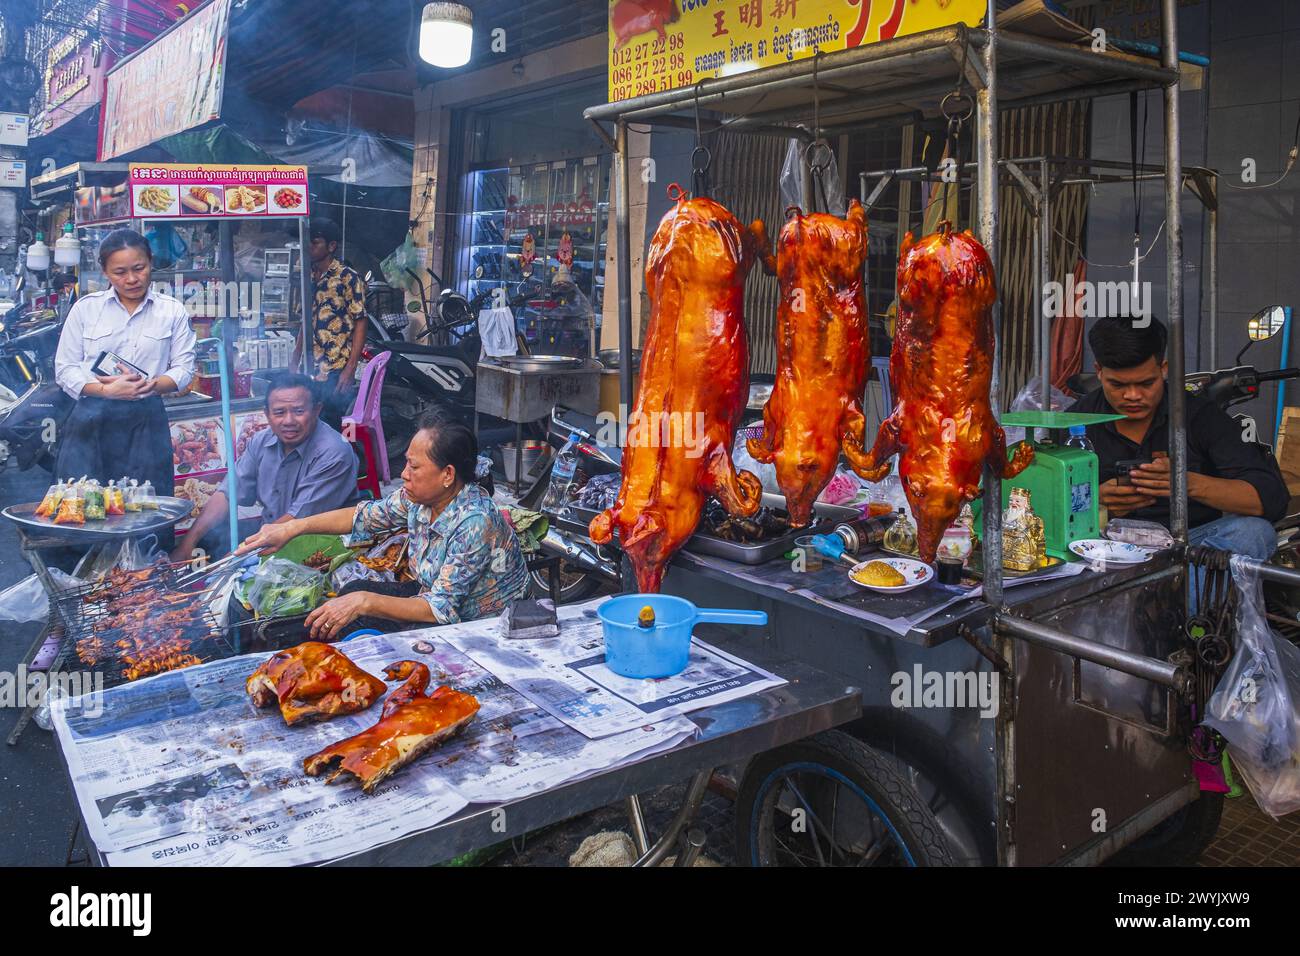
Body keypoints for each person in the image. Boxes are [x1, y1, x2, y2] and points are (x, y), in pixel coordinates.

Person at [236, 411, 527, 638]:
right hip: (430, 595)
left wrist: (366, 602)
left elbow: (441, 609)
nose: (404, 474)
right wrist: (291, 528)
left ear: (447, 474)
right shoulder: (419, 497)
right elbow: (362, 516)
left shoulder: (474, 522)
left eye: (414, 467)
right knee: (351, 593)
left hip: (481, 624)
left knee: (358, 608)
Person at [1068, 315, 1287, 560]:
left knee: (1254, 533)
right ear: (1099, 371)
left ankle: (1177, 594)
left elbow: (1270, 499)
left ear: (1163, 368)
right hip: (1104, 545)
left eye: (1146, 383)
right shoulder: (1075, 421)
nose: (1132, 395)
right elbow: (1040, 506)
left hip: (1190, 545)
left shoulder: (1199, 415)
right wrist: (1095, 504)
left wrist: (1186, 483)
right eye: (1118, 385)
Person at [53, 229, 195, 495]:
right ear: (105, 272)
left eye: (139, 268)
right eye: (120, 272)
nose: (131, 279)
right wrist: (105, 391)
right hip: (91, 418)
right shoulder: (86, 309)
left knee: (148, 505)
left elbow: (184, 369)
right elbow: (65, 368)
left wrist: (151, 385)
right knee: (85, 504)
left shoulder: (171, 310)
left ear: (150, 262)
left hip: (146, 419)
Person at [171, 372, 358, 563]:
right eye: (279, 412)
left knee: (224, 572)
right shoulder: (261, 441)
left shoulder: (334, 452)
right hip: (270, 536)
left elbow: (296, 521)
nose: (288, 421)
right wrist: (187, 544)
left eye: (299, 411)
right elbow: (227, 493)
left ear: (317, 410)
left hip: (319, 548)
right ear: (267, 414)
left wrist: (231, 560)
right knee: (207, 539)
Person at [291, 217, 366, 427]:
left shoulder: (347, 277)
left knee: (333, 427)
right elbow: (305, 322)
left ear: (331, 246)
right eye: (306, 242)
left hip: (336, 368)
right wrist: (294, 361)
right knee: (309, 424)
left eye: (315, 243)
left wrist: (350, 368)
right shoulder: (307, 277)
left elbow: (361, 321)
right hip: (310, 368)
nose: (308, 247)